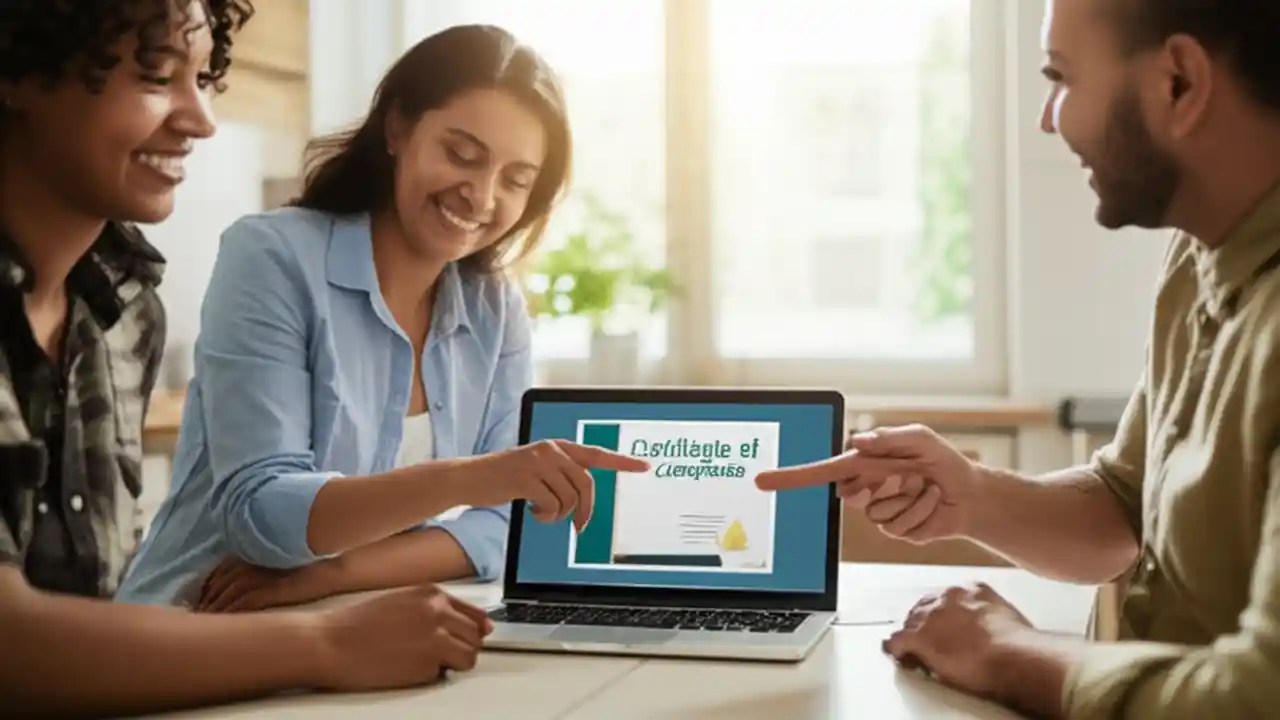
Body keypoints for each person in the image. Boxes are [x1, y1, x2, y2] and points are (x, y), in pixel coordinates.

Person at [757, 0, 1280, 717]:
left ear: (1178, 85)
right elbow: (1126, 509)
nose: (1048, 119)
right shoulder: (1200, 254)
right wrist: (970, 492)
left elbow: (1259, 695)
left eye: (1061, 77)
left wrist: (1004, 652)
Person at [0, 2, 498, 715]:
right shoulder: (271, 253)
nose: (200, 119)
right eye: (154, 76)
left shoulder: (121, 312)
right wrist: (328, 643)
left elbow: (83, 608)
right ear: (16, 70)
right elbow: (11, 648)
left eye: (204, 79)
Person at [117, 24, 648, 610]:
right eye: (461, 155)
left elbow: (506, 525)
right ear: (397, 128)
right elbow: (261, 514)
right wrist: (479, 477)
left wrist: (333, 575)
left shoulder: (495, 309)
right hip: (197, 627)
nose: (482, 195)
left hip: (346, 624)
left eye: (515, 180)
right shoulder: (274, 256)